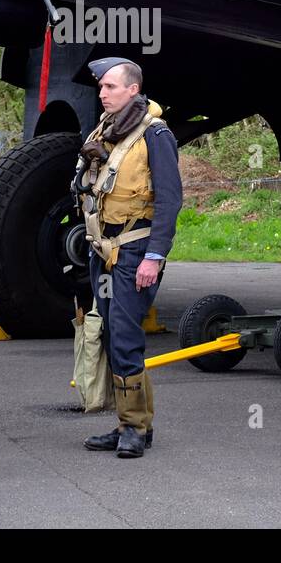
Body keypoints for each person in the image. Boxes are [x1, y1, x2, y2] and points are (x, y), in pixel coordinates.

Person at [73, 57, 182, 458]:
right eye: (101, 88)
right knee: (111, 334)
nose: (103, 93)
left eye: (111, 87)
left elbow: (170, 200)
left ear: (133, 89)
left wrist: (154, 257)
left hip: (136, 248)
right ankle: (129, 425)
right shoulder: (109, 130)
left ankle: (135, 428)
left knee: (125, 334)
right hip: (101, 249)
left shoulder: (155, 136)